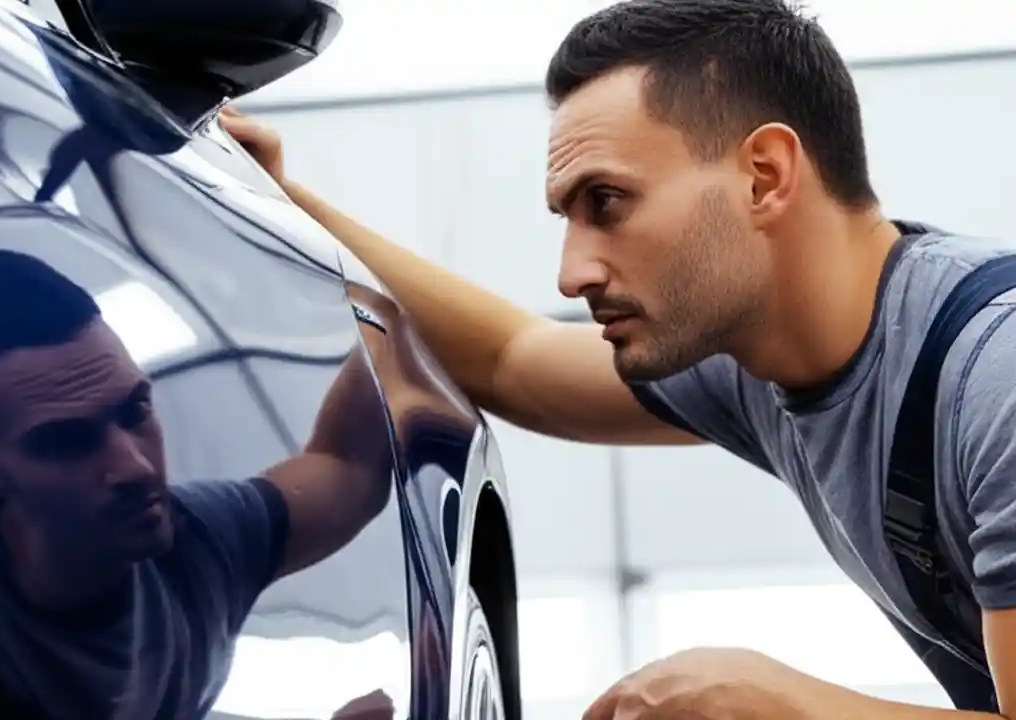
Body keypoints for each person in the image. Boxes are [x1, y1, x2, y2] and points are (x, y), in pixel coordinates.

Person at [219, 0, 1016, 717]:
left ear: (764, 176)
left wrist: (768, 700)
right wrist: (290, 203)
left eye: (607, 203)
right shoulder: (760, 363)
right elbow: (512, 360)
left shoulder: (997, 378)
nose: (572, 273)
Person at [0, 250, 395, 719]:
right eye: (69, 440)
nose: (135, 467)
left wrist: (392, 307)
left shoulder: (196, 544)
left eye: (134, 410)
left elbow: (348, 466)